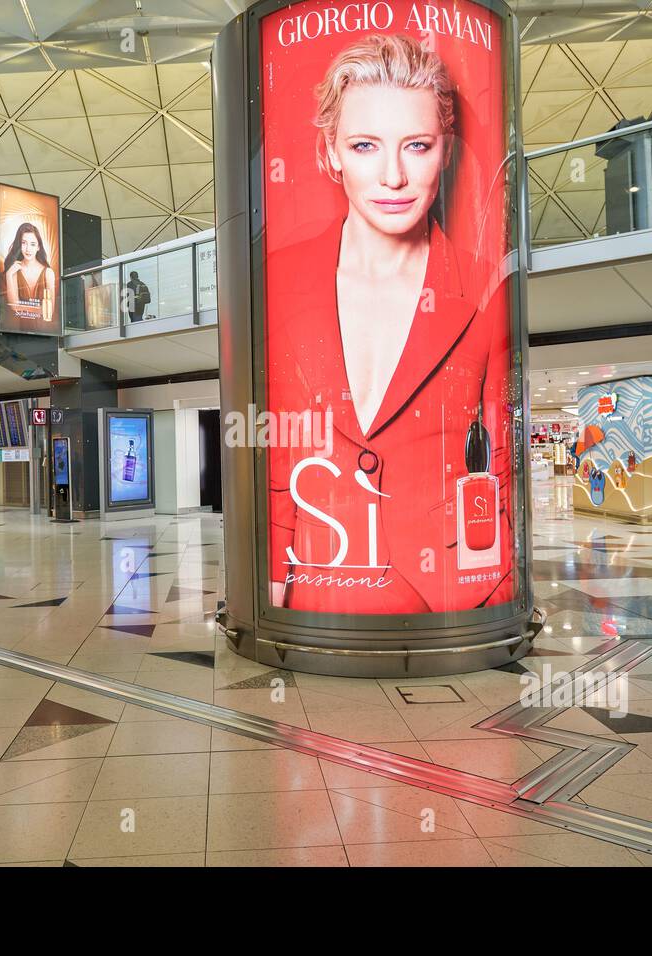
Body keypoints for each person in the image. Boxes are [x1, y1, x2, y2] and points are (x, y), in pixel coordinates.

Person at [264, 34, 511, 614]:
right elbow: (276, 454)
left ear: (445, 151)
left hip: (452, 594)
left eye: (417, 145)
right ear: (331, 152)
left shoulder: (482, 286)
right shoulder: (282, 280)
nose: (393, 176)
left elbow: (500, 461)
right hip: (320, 583)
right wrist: (270, 588)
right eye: (366, 145)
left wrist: (499, 592)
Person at [2, 222, 56, 327]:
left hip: (44, 331)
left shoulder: (48, 273)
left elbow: (49, 310)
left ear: (38, 247)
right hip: (18, 330)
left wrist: (22, 308)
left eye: (32, 244)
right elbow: (14, 306)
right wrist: (9, 275)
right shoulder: (14, 271)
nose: (28, 249)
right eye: (24, 243)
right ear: (19, 245)